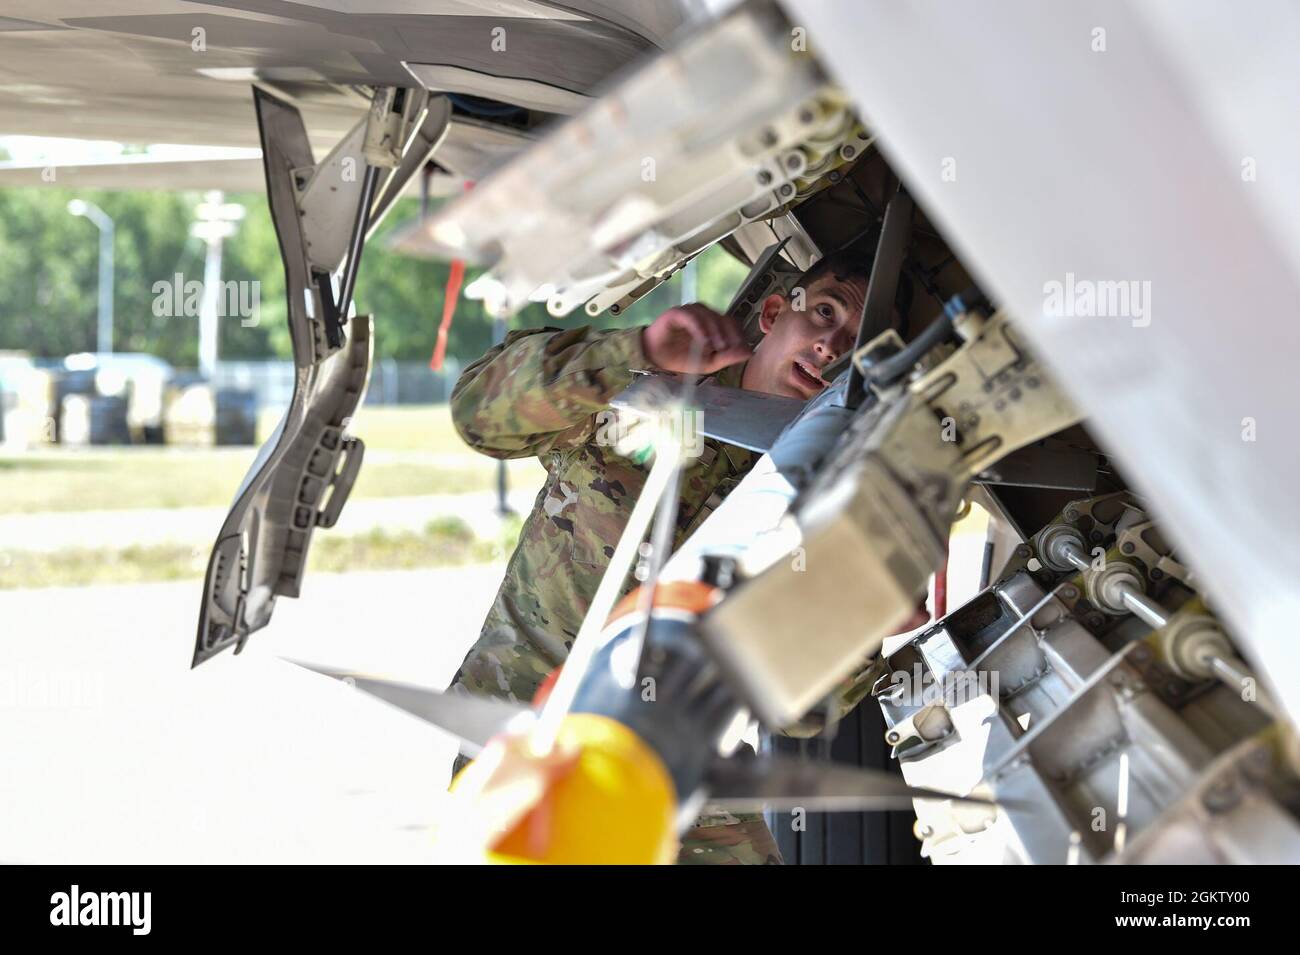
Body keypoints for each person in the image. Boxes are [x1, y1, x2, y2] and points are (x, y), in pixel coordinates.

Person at [446, 250, 887, 864]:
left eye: (854, 342)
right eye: (824, 313)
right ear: (773, 313)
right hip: (531, 741)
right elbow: (477, 414)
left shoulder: (827, 500)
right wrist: (638, 352)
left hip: (686, 787)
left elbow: (802, 716)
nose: (829, 346)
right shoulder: (642, 394)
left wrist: (860, 622)